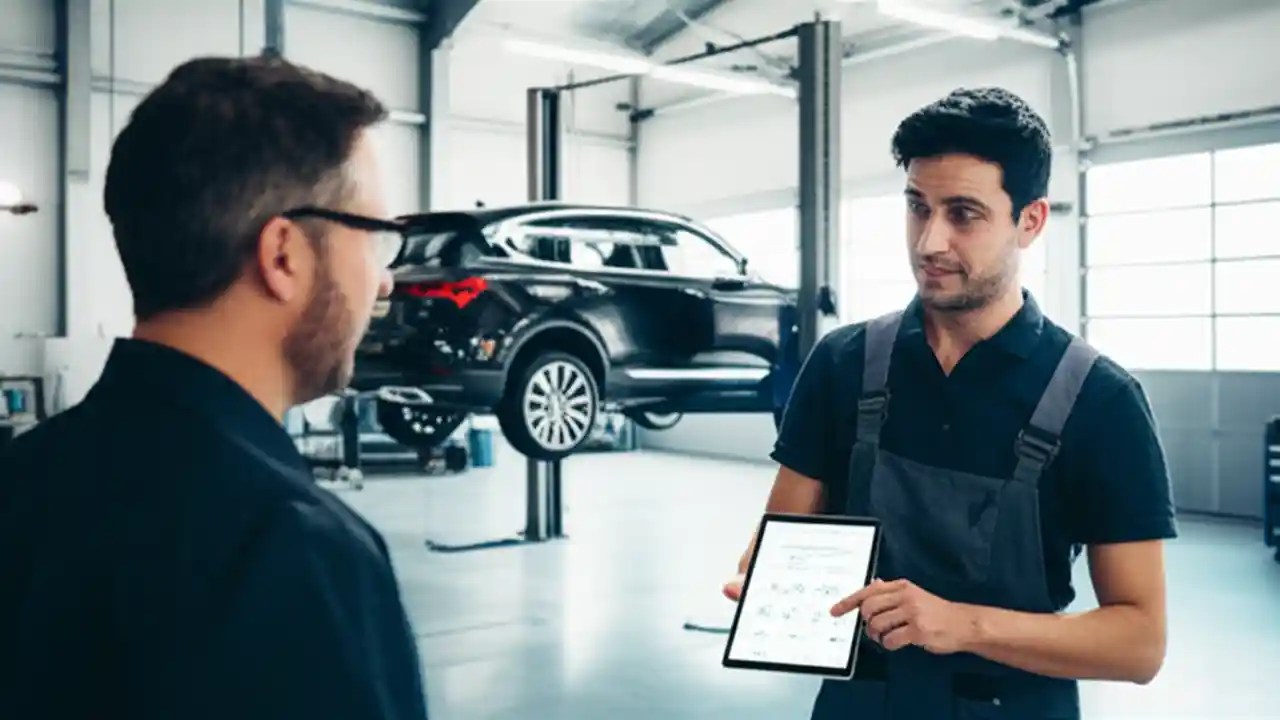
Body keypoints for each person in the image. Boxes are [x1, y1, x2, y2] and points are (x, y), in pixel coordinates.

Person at [723, 87, 1177, 719]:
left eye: (963, 214)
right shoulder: (843, 363)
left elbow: (1140, 643)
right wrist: (771, 577)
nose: (929, 241)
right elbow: (786, 534)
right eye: (917, 207)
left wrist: (961, 625)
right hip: (860, 705)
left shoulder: (1101, 400)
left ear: (1031, 220)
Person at [0, 56, 429, 720]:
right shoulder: (297, 554)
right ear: (283, 254)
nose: (386, 281)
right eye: (376, 238)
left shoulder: (19, 482)